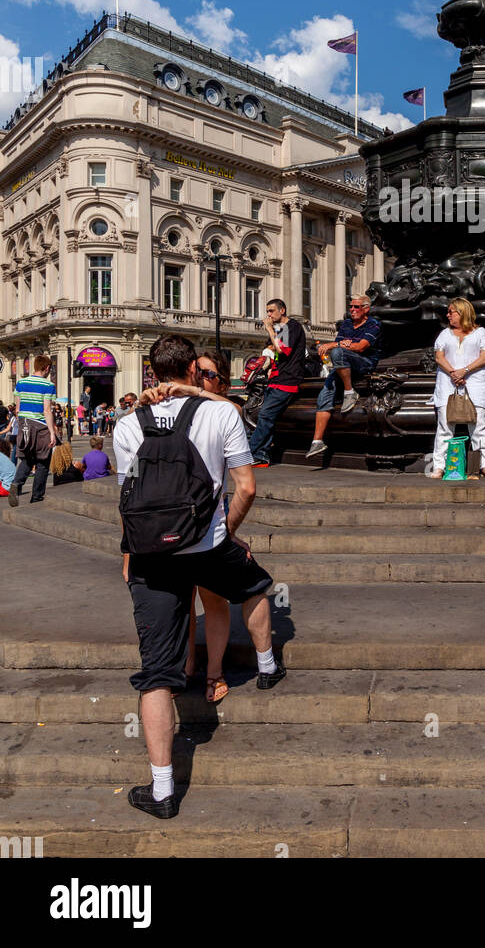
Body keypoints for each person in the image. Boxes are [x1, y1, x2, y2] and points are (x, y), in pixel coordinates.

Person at [115, 334, 284, 821]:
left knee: (155, 674)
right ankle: (268, 664)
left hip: (152, 556)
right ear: (194, 370)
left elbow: (129, 500)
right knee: (253, 584)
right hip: (208, 544)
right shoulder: (222, 413)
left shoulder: (128, 423)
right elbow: (246, 486)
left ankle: (163, 789)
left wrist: (130, 552)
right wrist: (223, 531)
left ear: (151, 373)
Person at [140, 350, 240, 704]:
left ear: (221, 381)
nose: (202, 377)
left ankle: (215, 672)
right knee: (186, 602)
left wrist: (195, 392)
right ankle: (188, 664)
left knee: (213, 601)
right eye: (199, 371)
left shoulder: (219, 408)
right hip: (171, 524)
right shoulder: (163, 407)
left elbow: (235, 411)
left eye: (209, 373)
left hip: (210, 525)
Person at [306, 293, 383, 459]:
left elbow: (361, 347)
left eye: (357, 307)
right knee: (324, 395)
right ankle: (317, 441)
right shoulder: (347, 324)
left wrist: (337, 345)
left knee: (338, 352)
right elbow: (344, 345)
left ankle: (350, 391)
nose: (352, 310)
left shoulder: (373, 324)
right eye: (351, 307)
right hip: (344, 366)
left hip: (365, 363)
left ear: (366, 309)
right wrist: (342, 344)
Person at [429, 299, 485, 479]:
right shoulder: (445, 334)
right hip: (447, 384)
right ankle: (440, 466)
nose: (448, 315)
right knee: (444, 425)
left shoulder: (481, 333)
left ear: (463, 312)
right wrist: (453, 373)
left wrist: (464, 371)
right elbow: (439, 357)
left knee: (479, 425)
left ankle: (483, 465)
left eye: (452, 312)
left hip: (475, 384)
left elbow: (484, 357)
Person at [248, 299, 307, 467]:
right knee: (266, 416)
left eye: (271, 311)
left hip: (287, 380)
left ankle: (250, 452)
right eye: (267, 311)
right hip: (277, 379)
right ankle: (261, 455)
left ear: (282, 310)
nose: (268, 315)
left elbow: (282, 349)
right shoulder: (281, 328)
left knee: (266, 415)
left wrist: (269, 329)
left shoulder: (292, 326)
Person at [7, 355, 57, 507]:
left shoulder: (21, 382)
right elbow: (47, 410)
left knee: (28, 458)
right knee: (43, 460)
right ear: (47, 368)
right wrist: (52, 432)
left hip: (24, 423)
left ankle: (16, 483)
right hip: (40, 425)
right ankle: (37, 496)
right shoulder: (48, 385)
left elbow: (17, 408)